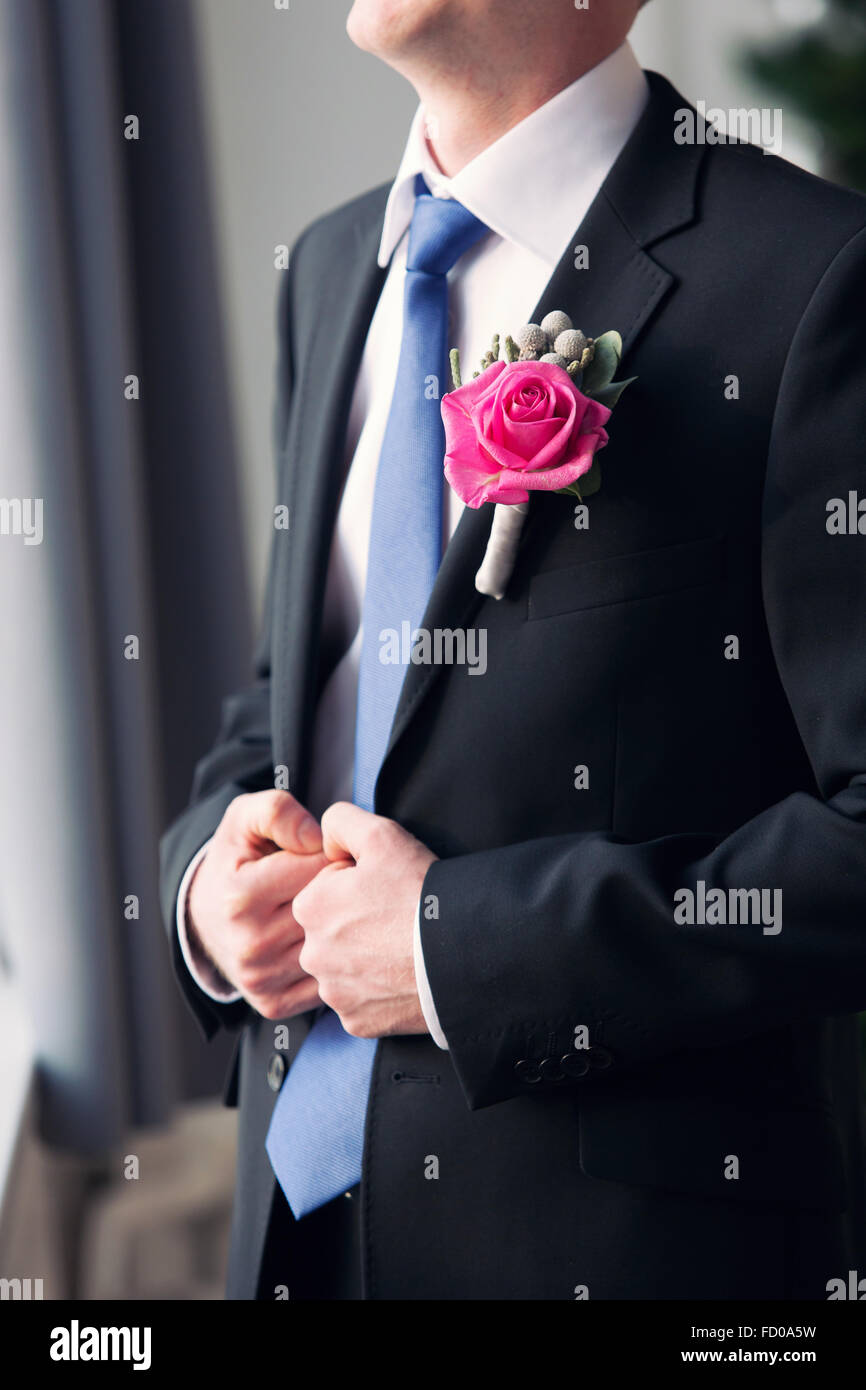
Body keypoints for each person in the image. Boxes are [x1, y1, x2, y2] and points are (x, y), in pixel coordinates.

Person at [160, 0, 866, 1300]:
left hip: (614, 1253)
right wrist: (208, 890)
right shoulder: (325, 271)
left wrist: (454, 948)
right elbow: (293, 692)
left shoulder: (815, 277)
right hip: (289, 1233)